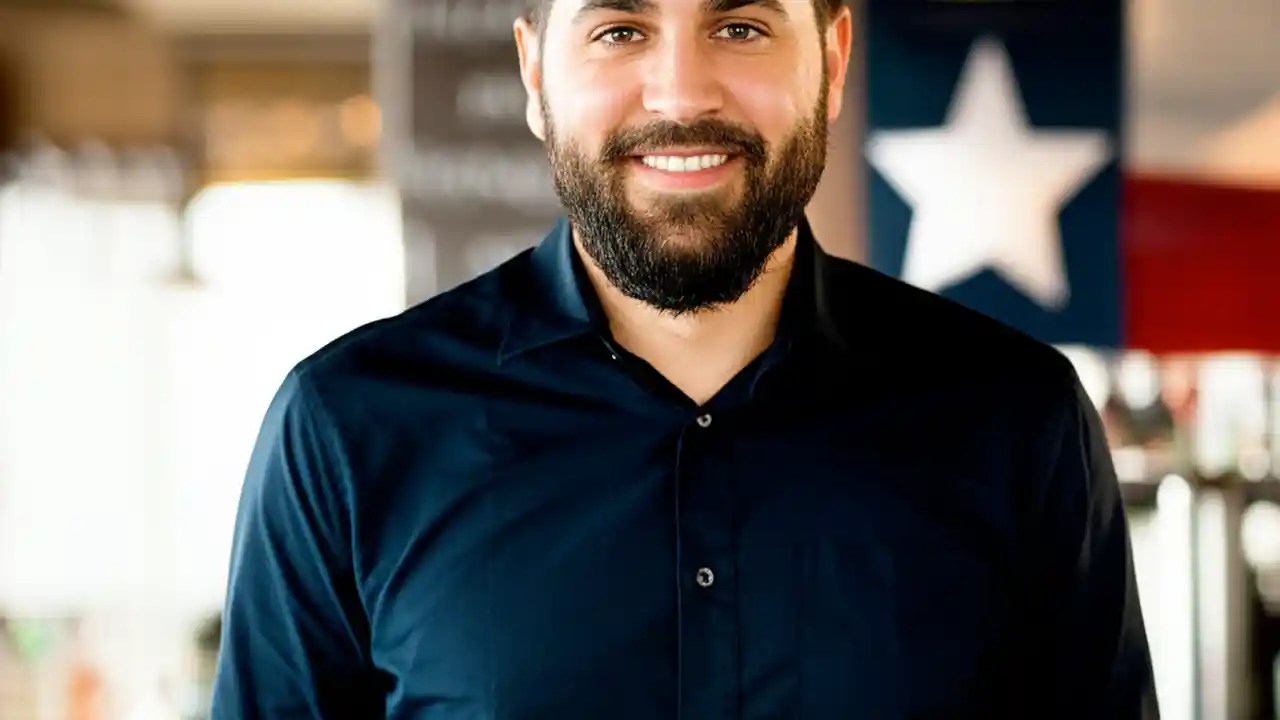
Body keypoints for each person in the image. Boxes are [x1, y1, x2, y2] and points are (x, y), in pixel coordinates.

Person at [211, 0, 1160, 717]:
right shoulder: (345, 430)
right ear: (536, 71)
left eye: (741, 27)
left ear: (830, 60)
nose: (681, 94)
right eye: (620, 29)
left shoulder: (1016, 417)